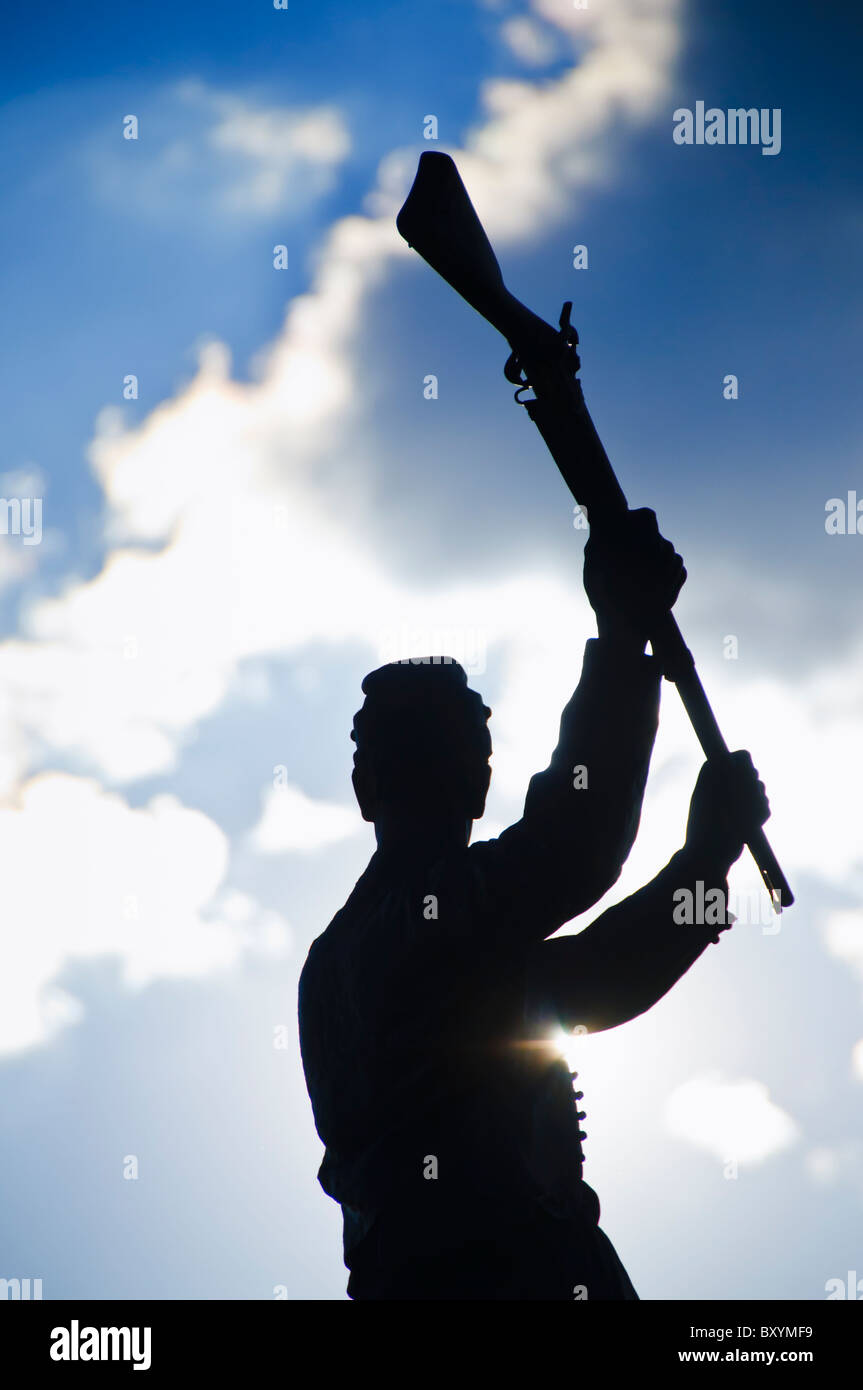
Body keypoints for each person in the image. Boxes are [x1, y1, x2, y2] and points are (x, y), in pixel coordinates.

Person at [298, 509, 770, 1299]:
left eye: (459, 755)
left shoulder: (377, 947)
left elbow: (587, 978)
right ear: (368, 787)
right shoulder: (410, 923)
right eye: (431, 754)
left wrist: (703, 861)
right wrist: (620, 637)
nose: (455, 776)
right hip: (485, 1274)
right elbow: (572, 848)